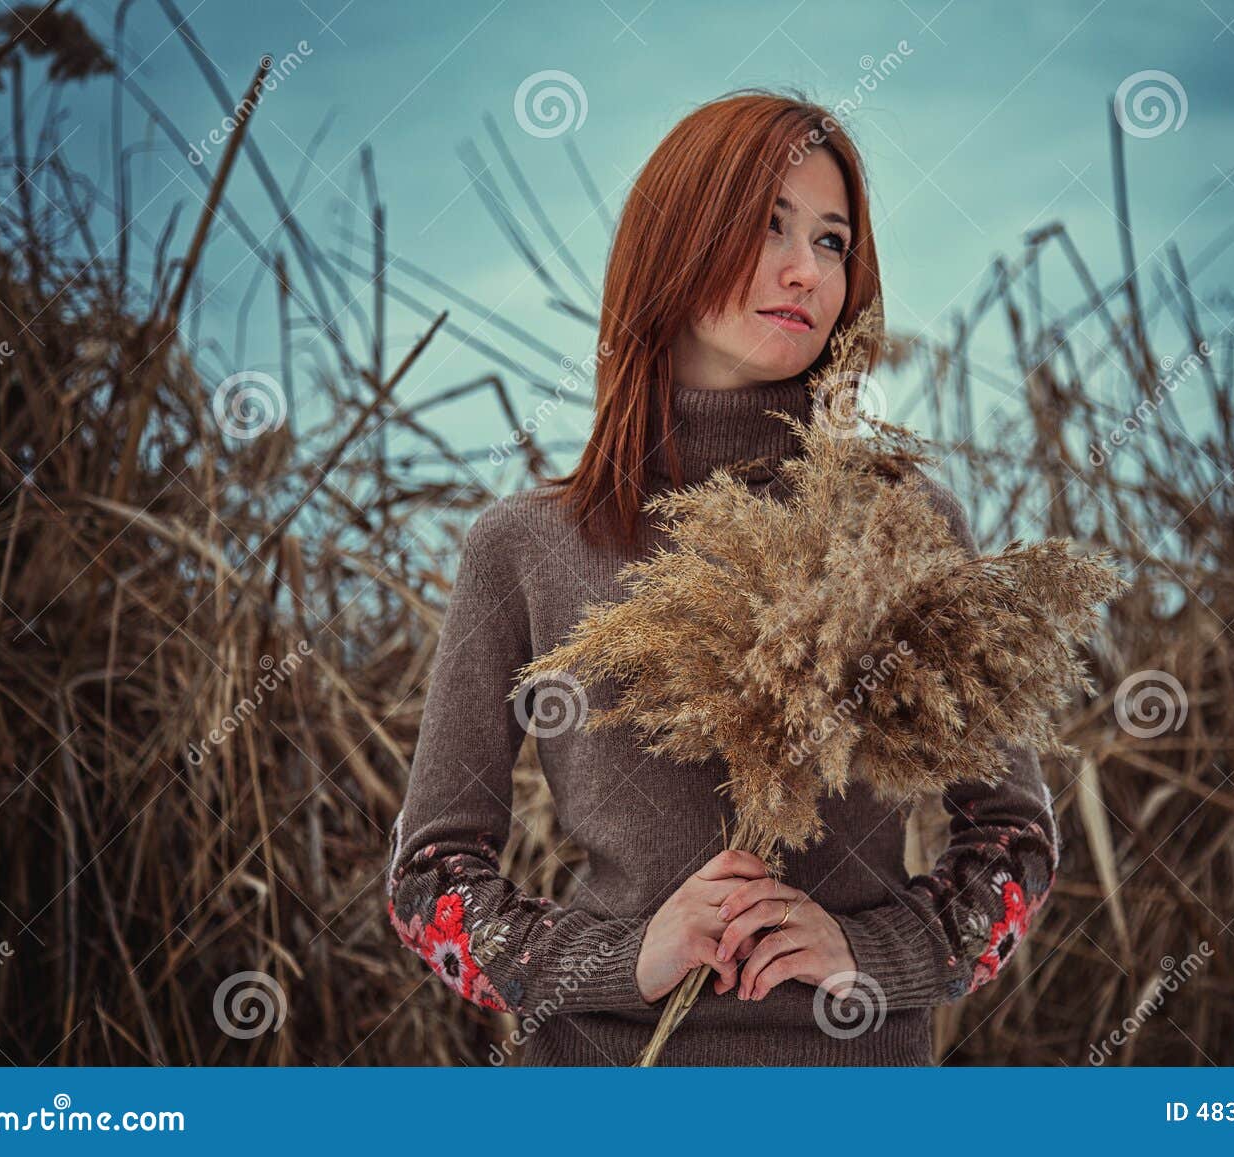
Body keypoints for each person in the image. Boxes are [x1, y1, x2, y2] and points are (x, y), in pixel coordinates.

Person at [385, 89, 1059, 1065]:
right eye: (769, 226)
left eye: (833, 242)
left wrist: (870, 949)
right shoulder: (526, 545)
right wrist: (621, 959)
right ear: (677, 242)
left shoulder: (906, 529)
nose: (805, 270)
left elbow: (1013, 842)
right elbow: (430, 880)